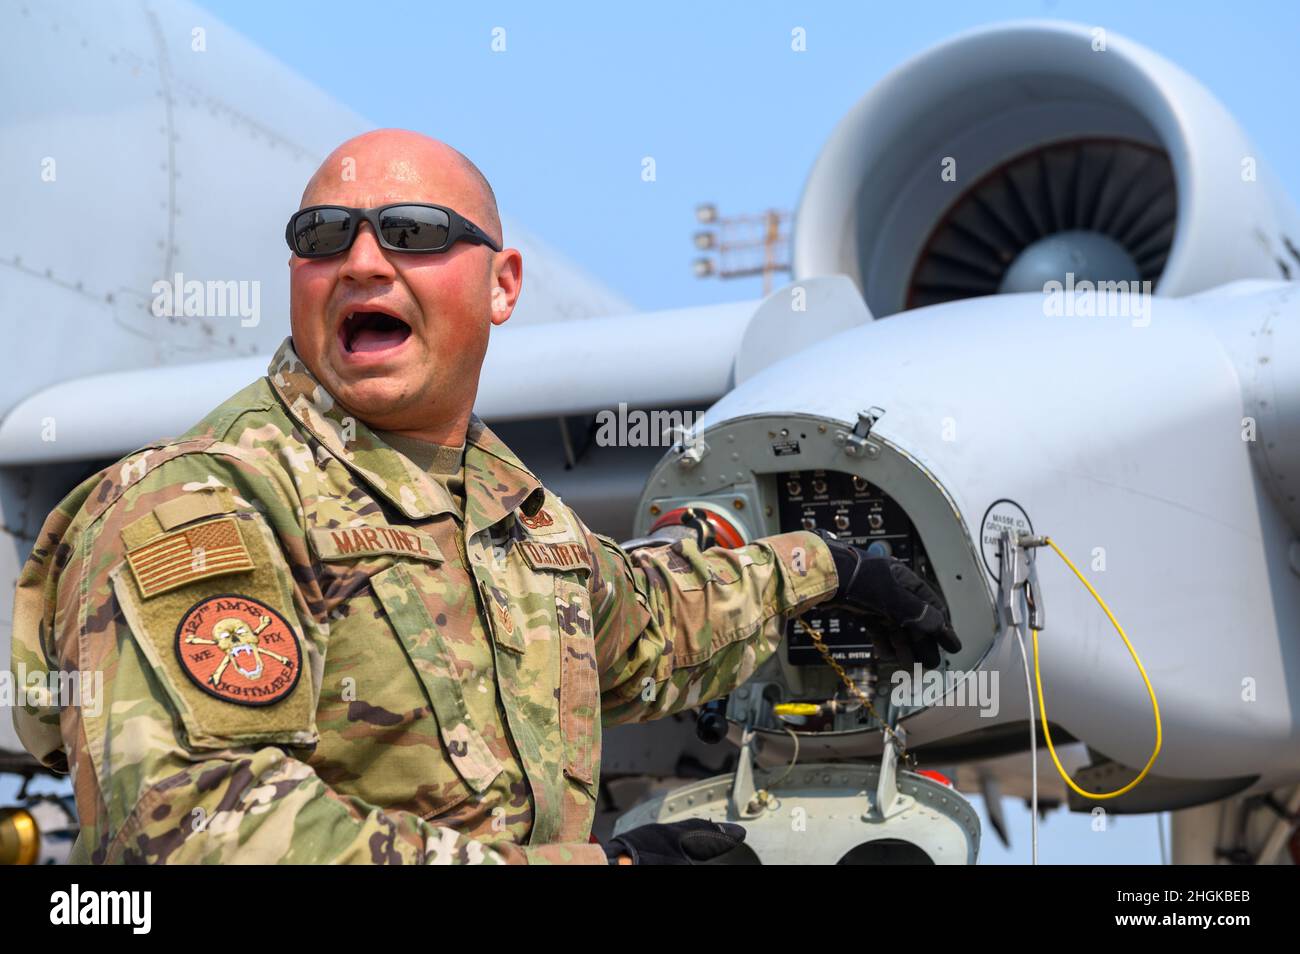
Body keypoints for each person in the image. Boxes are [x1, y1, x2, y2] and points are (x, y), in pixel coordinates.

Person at [11, 130, 957, 864]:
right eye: (323, 238)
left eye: (414, 234)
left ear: (502, 286)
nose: (364, 264)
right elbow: (194, 832)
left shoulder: (507, 504)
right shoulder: (199, 503)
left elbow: (643, 628)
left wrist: (827, 568)